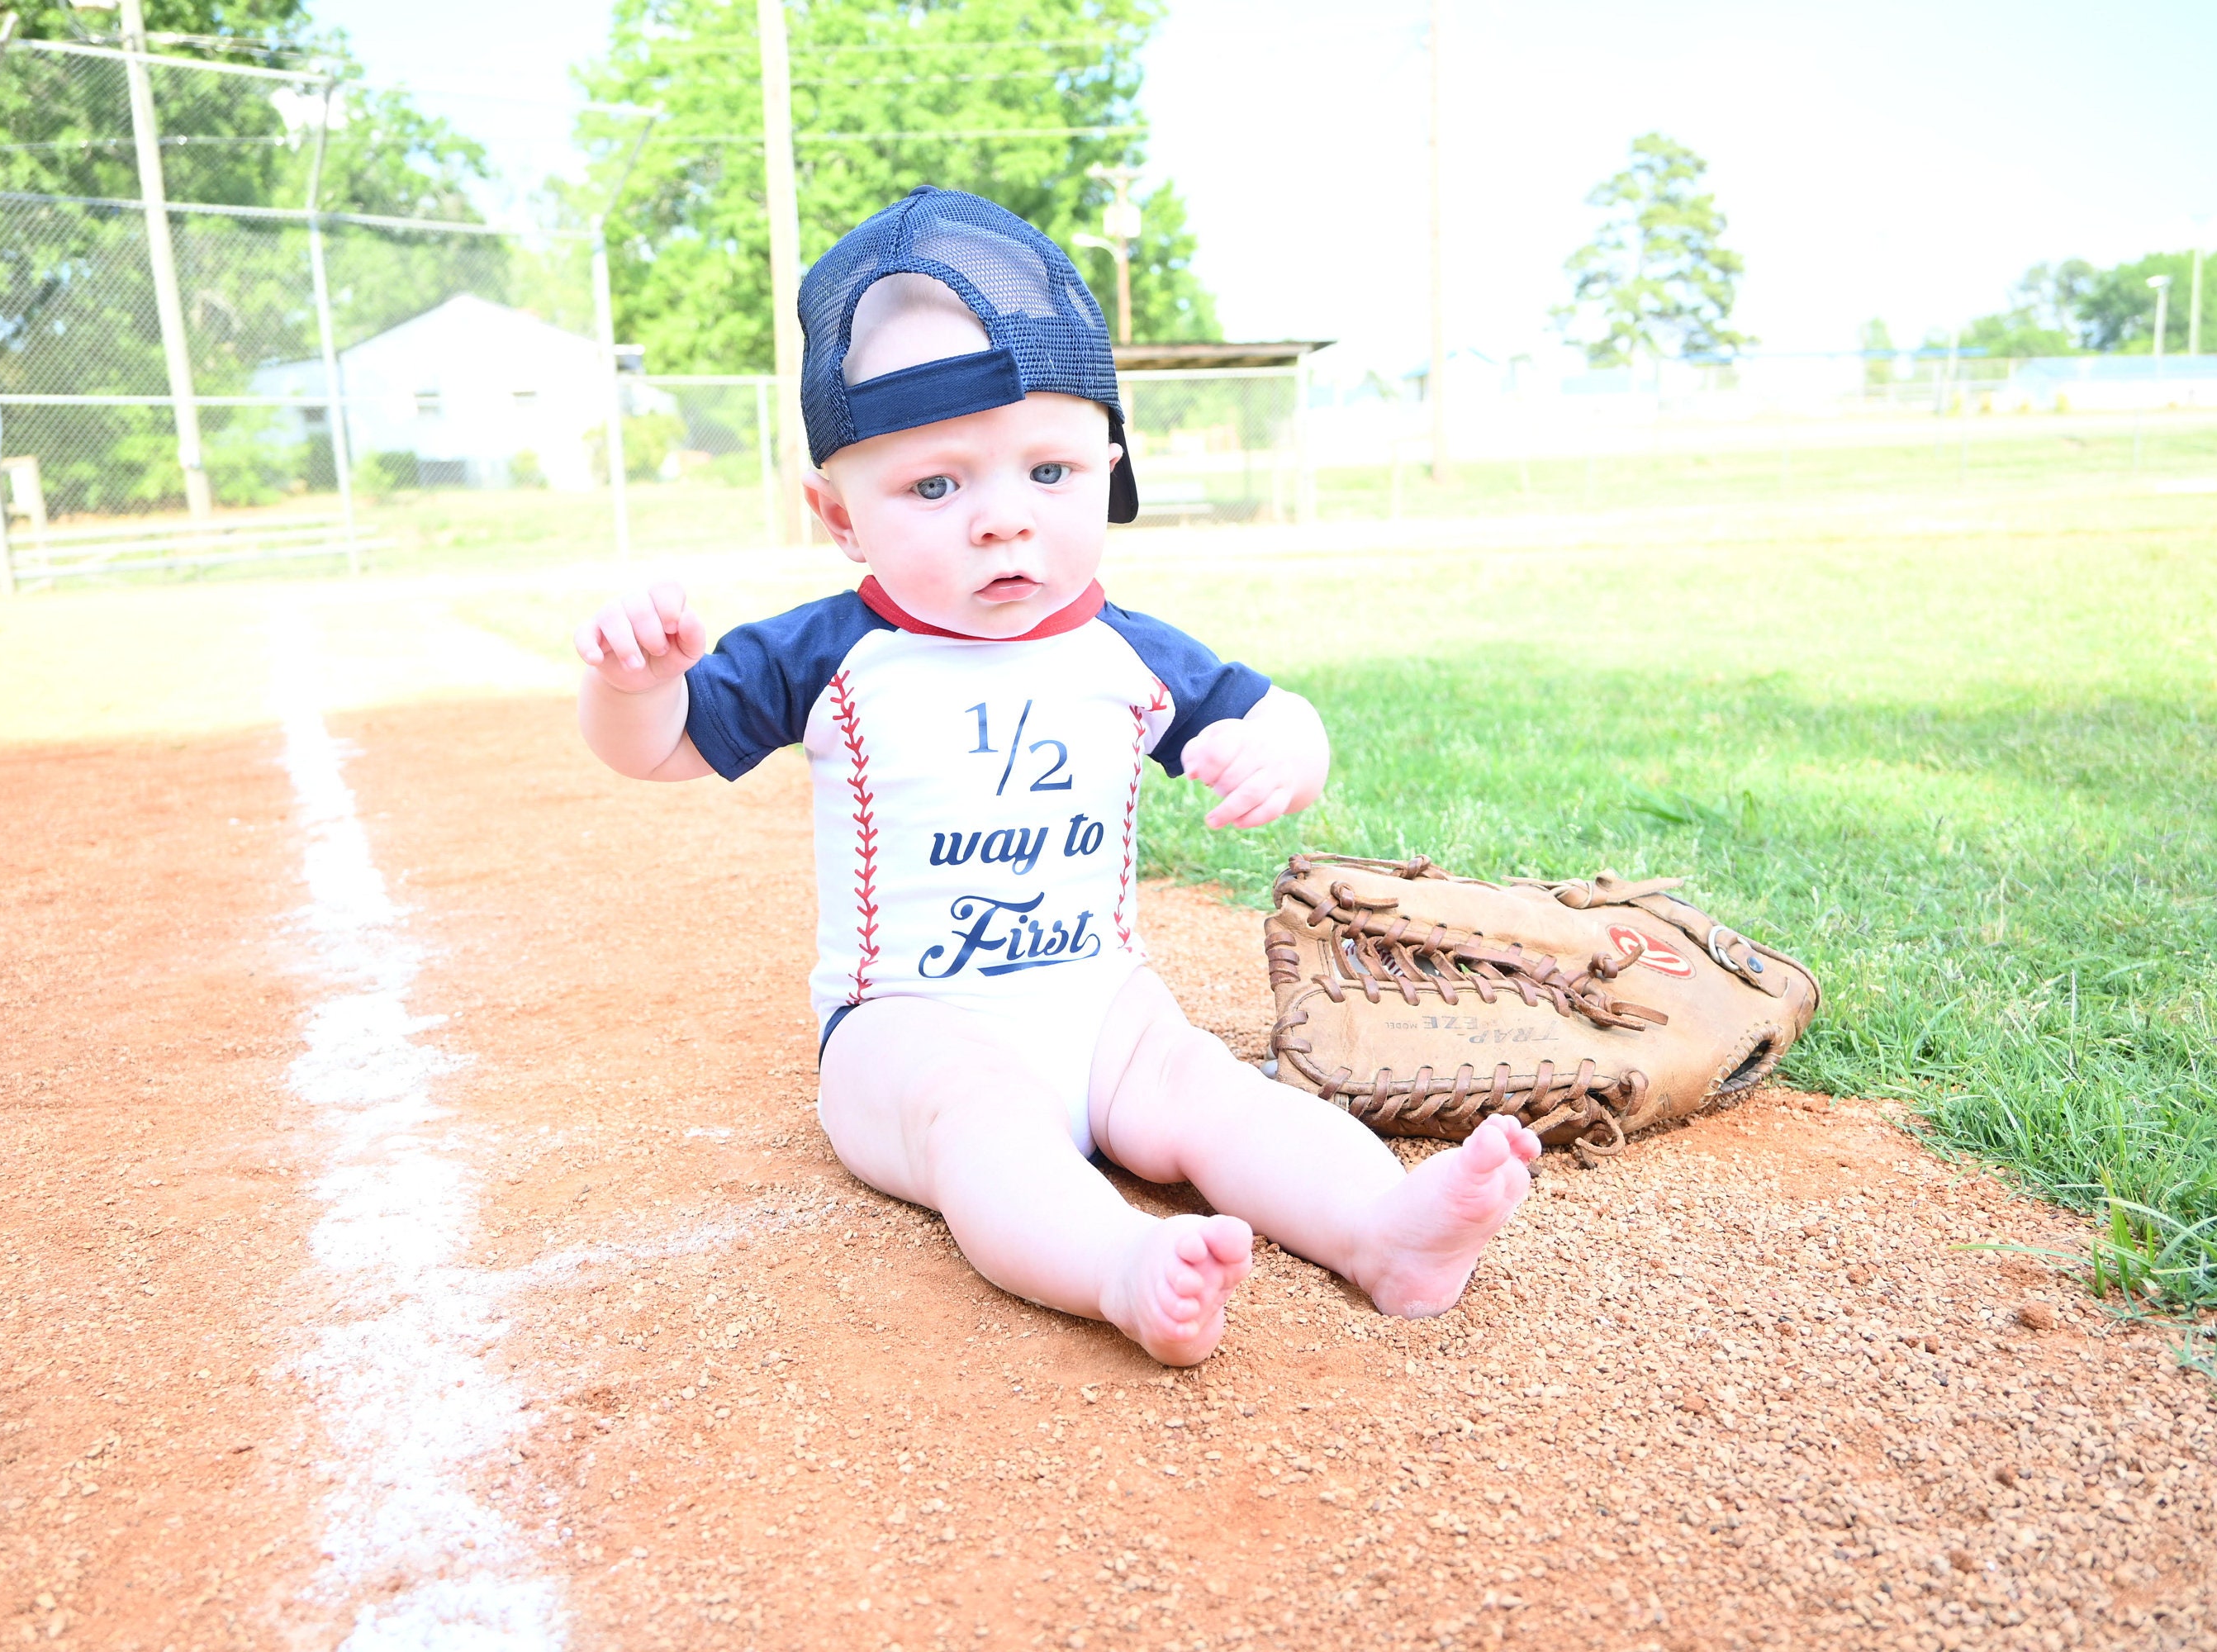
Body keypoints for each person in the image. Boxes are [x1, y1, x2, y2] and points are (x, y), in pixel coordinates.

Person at [575, 187, 1538, 1365]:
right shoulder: (829, 654)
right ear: (840, 516)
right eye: (936, 486)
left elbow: (1273, 710)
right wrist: (636, 685)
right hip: (906, 1031)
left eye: (1050, 472)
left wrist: (1286, 751)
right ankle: (1116, 1266)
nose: (1002, 521)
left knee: (1214, 1090)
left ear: (1108, 466)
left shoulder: (1120, 649)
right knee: (977, 1122)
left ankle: (1384, 1228)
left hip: (1104, 1012)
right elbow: (660, 745)